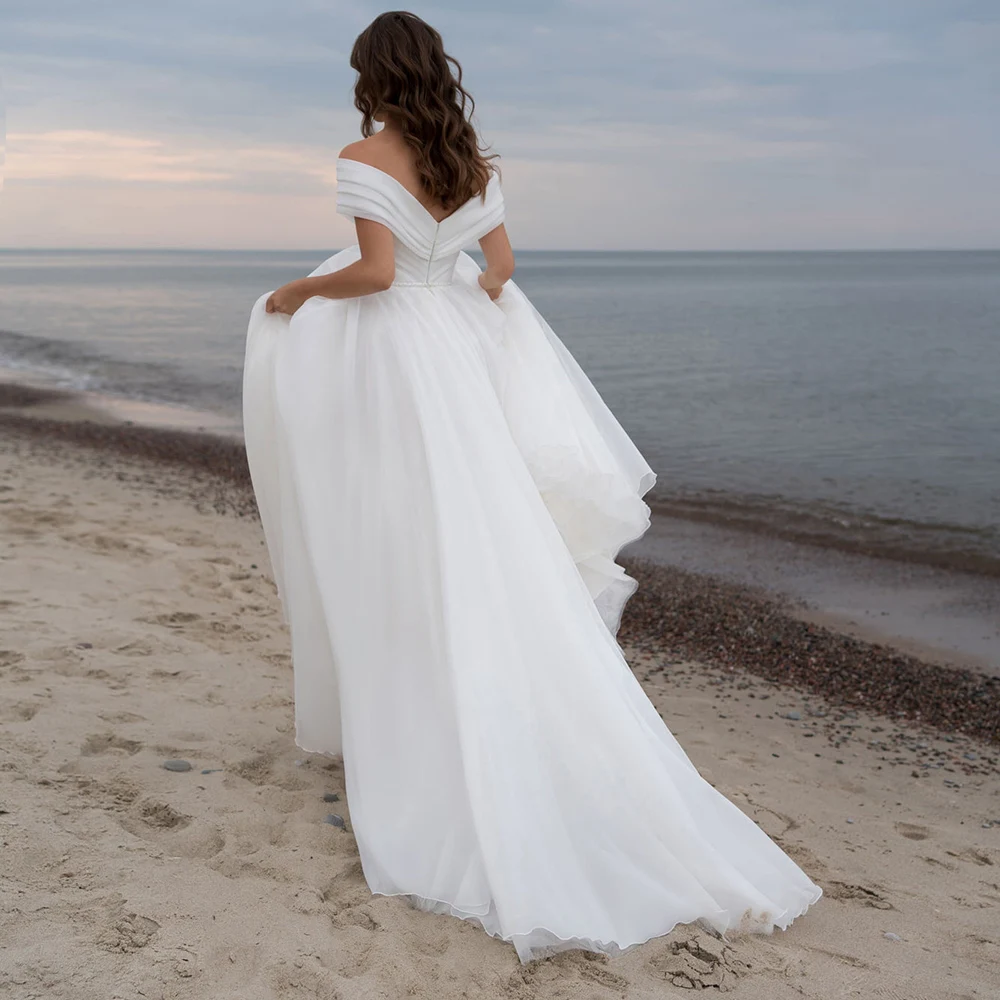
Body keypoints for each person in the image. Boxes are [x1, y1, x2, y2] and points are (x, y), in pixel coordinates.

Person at [242, 9, 822, 965]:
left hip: (397, 371)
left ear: (373, 74)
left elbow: (378, 275)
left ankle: (420, 726)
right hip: (456, 367)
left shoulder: (363, 153)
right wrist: (465, 320)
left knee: (405, 538)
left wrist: (299, 294)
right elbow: (500, 273)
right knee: (484, 544)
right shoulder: (475, 165)